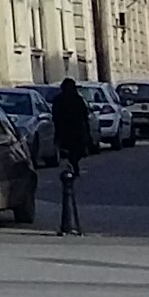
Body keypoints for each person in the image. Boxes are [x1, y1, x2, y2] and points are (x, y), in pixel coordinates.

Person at [50, 71, 92, 236]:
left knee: (68, 149)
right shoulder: (77, 99)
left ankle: (71, 164)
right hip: (76, 131)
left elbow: (55, 116)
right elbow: (84, 116)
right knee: (76, 150)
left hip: (64, 130)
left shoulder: (59, 100)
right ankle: (73, 165)